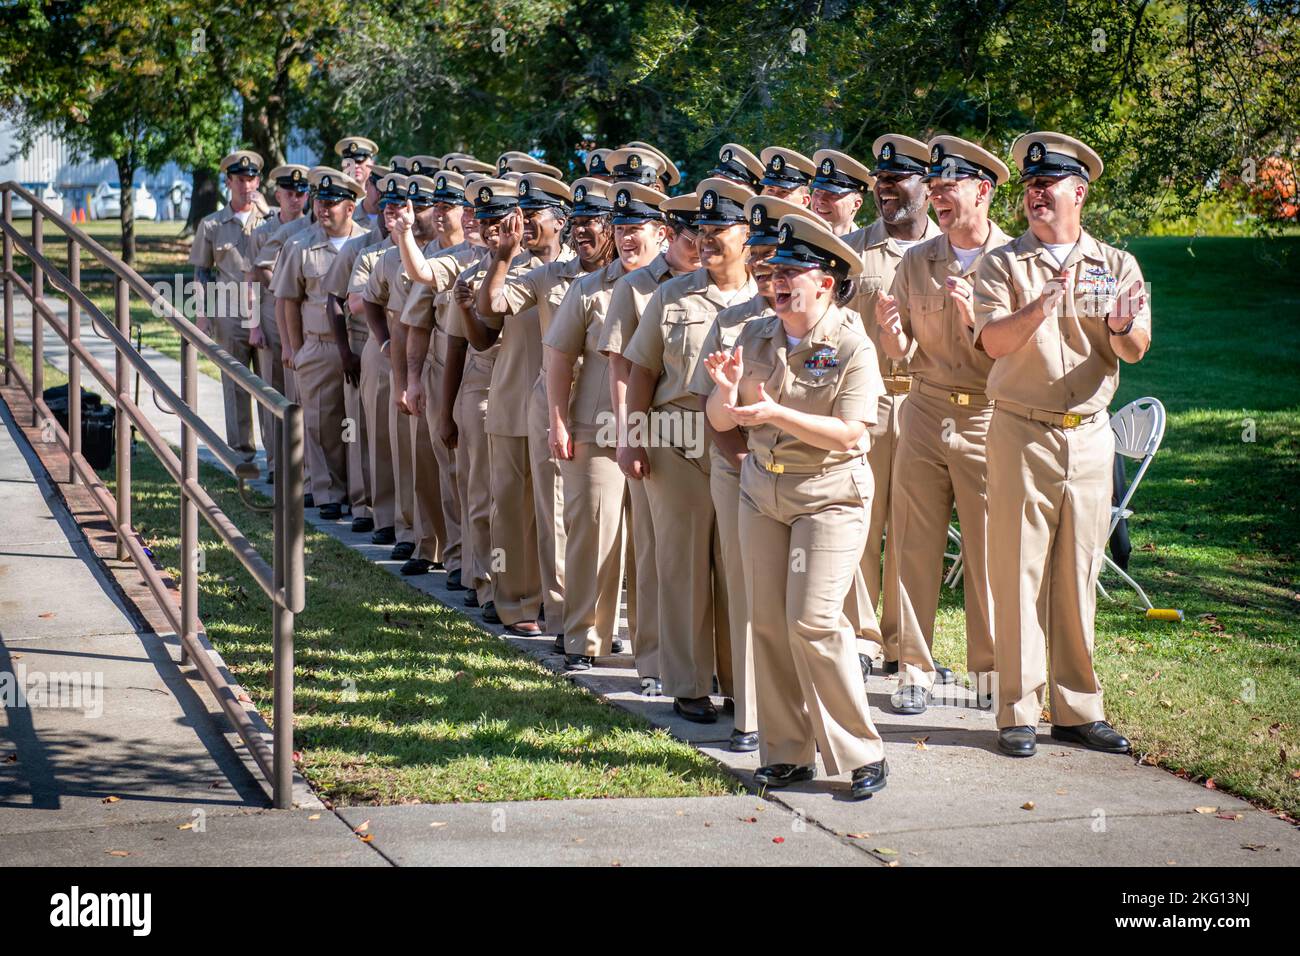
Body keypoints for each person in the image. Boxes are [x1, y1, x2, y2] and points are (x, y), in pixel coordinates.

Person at [973, 131, 1150, 758]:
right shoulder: (1002, 263)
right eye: (1029, 186)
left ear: (1079, 192)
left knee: (1078, 573)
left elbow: (1135, 349)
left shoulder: (1118, 264)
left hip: (1091, 436)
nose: (1035, 195)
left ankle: (1077, 709)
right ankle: (1017, 712)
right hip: (1021, 429)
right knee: (1017, 573)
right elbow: (992, 342)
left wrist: (1122, 325)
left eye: (1047, 185)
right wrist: (1040, 306)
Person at [702, 212, 888, 799]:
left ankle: (863, 752)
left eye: (790, 272)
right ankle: (786, 753)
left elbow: (851, 434)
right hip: (761, 493)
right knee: (767, 623)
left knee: (812, 620)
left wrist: (776, 414)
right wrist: (726, 396)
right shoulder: (753, 335)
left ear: (826, 282)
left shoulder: (853, 344)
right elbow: (716, 418)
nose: (775, 282)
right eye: (771, 271)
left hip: (829, 495)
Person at [874, 135, 1011, 714]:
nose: (938, 199)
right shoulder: (916, 260)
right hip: (926, 410)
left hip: (988, 414)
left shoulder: (1013, 259)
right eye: (932, 190)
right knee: (913, 546)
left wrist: (974, 316)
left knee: (988, 550)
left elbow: (1027, 352)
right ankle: (913, 671)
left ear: (982, 191)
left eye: (947, 188)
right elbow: (903, 351)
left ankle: (988, 674)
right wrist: (892, 338)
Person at [687, 193, 821, 752]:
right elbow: (710, 408)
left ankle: (805, 715)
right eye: (764, 262)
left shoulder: (826, 324)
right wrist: (743, 464)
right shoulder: (734, 323)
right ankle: (751, 717)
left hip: (811, 478)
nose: (771, 275)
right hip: (739, 467)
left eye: (781, 264)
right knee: (749, 594)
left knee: (808, 604)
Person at [622, 177, 756, 724]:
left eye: (718, 229)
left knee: (737, 563)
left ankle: (738, 682)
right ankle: (687, 683)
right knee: (681, 563)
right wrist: (631, 436)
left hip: (740, 441)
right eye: (701, 229)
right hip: (674, 435)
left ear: (747, 234)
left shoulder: (764, 296)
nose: (705, 239)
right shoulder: (670, 294)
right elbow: (642, 369)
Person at [542, 180, 661, 670]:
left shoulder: (673, 286)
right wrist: (557, 422)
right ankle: (586, 639)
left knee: (653, 543)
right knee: (595, 533)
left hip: (665, 432)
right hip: (596, 429)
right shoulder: (588, 288)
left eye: (638, 229)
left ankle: (654, 646)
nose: (629, 238)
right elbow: (558, 357)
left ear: (662, 232)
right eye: (622, 228)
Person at [476, 173, 600, 636]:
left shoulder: (588, 266)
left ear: (560, 220)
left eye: (534, 216)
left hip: (584, 400)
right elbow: (489, 311)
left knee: (568, 511)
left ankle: (571, 610)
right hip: (528, 397)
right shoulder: (533, 271)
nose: (524, 223)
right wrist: (502, 259)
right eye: (521, 215)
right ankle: (523, 603)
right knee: (521, 507)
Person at [844, 136, 941, 677]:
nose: (885, 188)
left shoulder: (949, 251)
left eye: (897, 179)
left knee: (913, 532)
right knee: (860, 520)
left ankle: (905, 643)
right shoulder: (853, 252)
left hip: (928, 404)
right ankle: (860, 636)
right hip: (869, 402)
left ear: (925, 186)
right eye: (880, 181)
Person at [598, 188, 700, 695]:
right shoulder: (638, 286)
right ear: (670, 233)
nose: (695, 241)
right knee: (655, 553)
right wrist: (627, 434)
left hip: (712, 434)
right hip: (658, 430)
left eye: (701, 232)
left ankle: (702, 663)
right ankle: (655, 662)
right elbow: (622, 366)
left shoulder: (731, 282)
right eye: (686, 233)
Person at [393, 171, 483, 582]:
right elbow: (417, 320)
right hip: (447, 369)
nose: (458, 217)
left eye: (460, 207)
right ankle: (460, 558)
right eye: (443, 207)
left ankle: (485, 564)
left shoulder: (510, 259)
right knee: (450, 469)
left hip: (495, 374)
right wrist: (412, 381)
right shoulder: (453, 260)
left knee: (483, 477)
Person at [272, 166, 371, 520]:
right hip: (318, 343)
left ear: (351, 206)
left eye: (332, 202)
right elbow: (286, 300)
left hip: (361, 343)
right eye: (320, 202)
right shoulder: (300, 244)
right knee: (320, 422)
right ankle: (327, 491)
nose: (323, 209)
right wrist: (292, 347)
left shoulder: (369, 241)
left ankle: (362, 499)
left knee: (358, 425)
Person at [189, 149, 266, 459]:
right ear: (228, 182)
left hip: (269, 309)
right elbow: (201, 271)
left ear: (258, 181)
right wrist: (202, 315)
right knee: (235, 383)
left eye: (251, 179)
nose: (246, 186)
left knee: (271, 384)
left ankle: (276, 455)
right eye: (239, 180)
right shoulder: (212, 225)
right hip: (229, 312)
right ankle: (241, 452)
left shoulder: (271, 218)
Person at [245, 163, 310, 482]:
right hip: (271, 312)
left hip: (306, 315)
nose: (295, 199)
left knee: (302, 391)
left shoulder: (313, 227)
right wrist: (254, 325)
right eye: (289, 193)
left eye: (301, 193)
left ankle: (301, 462)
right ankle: (274, 461)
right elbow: (251, 280)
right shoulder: (263, 233)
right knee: (272, 388)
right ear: (277, 194)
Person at [809, 148, 873, 236]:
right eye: (818, 191)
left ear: (856, 204)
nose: (821, 199)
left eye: (833, 194)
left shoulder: (865, 248)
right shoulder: (794, 240)